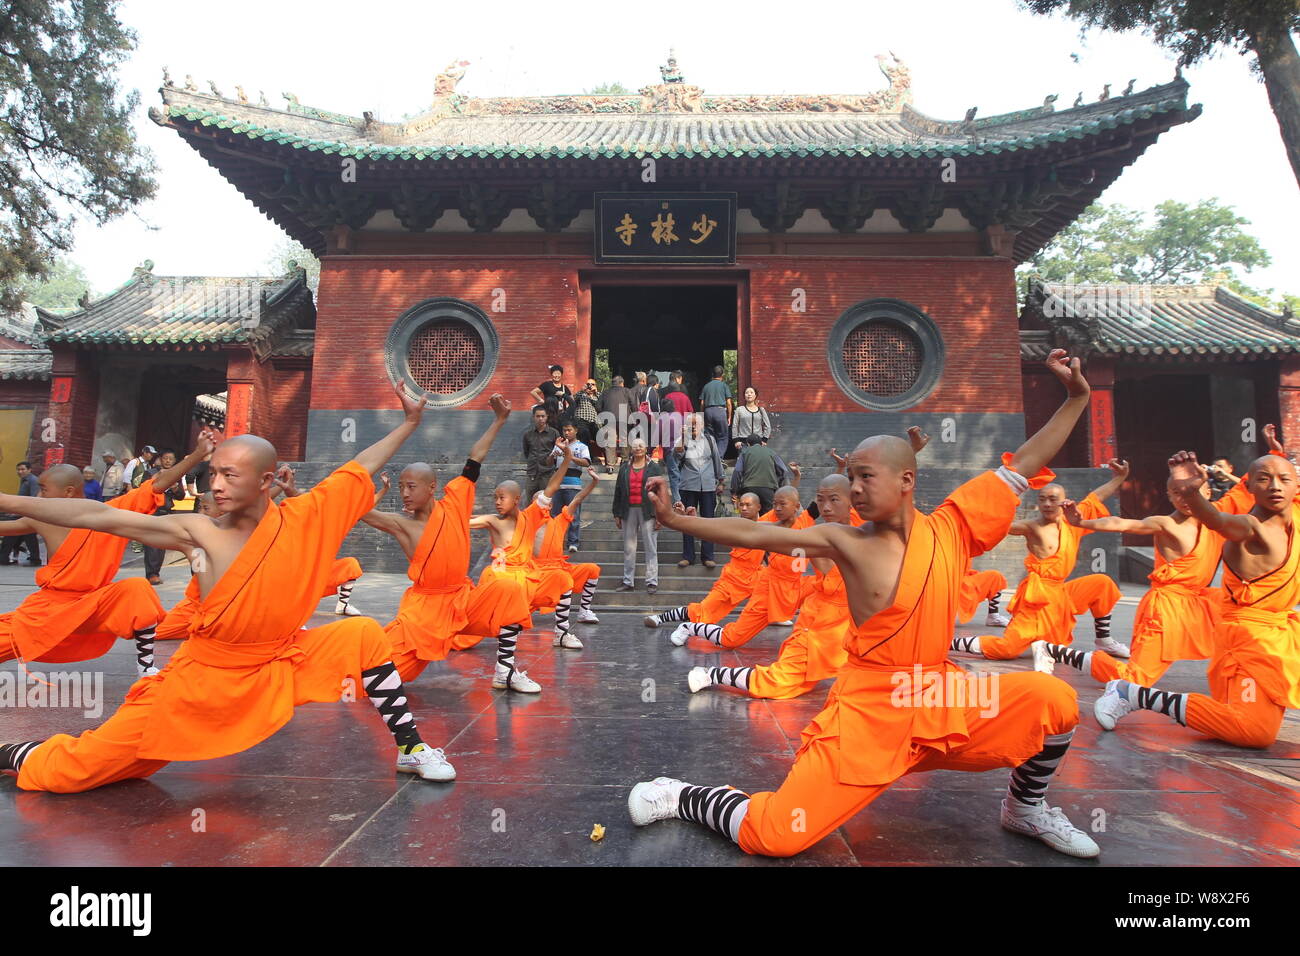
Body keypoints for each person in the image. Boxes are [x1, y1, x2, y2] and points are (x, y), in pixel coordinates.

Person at [627, 348, 1099, 860]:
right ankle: (684, 795)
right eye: (850, 477)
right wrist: (678, 520)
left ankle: (1025, 808)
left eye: (865, 477)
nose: (853, 489)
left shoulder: (955, 526)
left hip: (940, 695)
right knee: (779, 835)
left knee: (1054, 701)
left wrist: (1076, 396)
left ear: (906, 481)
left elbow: (1025, 462)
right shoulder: (845, 542)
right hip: (872, 707)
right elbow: (750, 531)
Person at [0, 383, 459, 792]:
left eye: (228, 476)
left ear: (264, 482)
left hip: (280, 659)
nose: (215, 485)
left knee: (360, 634)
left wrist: (410, 422)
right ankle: (20, 754)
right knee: (83, 770)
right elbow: (97, 516)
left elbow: (359, 466)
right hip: (204, 679)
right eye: (213, 473)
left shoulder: (310, 515)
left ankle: (412, 748)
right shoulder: (203, 531)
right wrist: (5, 500)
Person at [1093, 449, 1298, 749]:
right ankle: (1133, 693)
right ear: (1248, 486)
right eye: (1264, 479)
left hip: (1281, 633)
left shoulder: (1295, 517)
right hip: (1250, 644)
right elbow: (1218, 521)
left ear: (1296, 485)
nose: (1276, 486)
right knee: (1254, 731)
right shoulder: (1250, 528)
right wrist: (1195, 496)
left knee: (1248, 721)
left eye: (1284, 479)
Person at [361, 395, 538, 693]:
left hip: (462, 599)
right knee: (375, 678)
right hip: (424, 611)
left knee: (509, 589)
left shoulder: (454, 504)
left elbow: (475, 459)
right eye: (402, 486)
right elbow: (356, 509)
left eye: (411, 486)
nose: (404, 493)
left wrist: (499, 421)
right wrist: (378, 492)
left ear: (432, 488)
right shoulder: (401, 524)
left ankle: (505, 672)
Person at [0, 436, 211, 676]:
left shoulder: (108, 514)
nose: (38, 495)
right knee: (9, 636)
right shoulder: (39, 518)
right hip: (49, 607)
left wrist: (196, 455)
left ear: (68, 492)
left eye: (44, 489)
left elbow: (157, 485)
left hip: (96, 603)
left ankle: (146, 666)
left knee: (136, 589)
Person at [687, 473, 855, 699]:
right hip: (774, 590)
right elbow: (748, 530)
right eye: (821, 500)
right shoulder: (801, 533)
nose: (826, 507)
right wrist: (687, 522)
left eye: (782, 504)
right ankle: (705, 656)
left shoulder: (853, 526)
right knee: (734, 640)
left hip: (812, 597)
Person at [949, 461, 1130, 662]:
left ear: (1064, 501)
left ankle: (1104, 641)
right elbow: (1001, 524)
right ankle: (949, 643)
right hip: (1038, 599)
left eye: (1052, 499)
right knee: (1006, 649)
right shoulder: (1031, 527)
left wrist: (1119, 478)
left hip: (1061, 593)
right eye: (1042, 499)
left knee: (1102, 584)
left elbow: (1097, 497)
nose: (1046, 504)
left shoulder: (1074, 520)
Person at [466, 442, 577, 691]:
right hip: (502, 577)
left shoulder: (530, 516)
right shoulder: (493, 521)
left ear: (516, 500)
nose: (496, 502)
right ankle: (504, 671)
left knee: (562, 579)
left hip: (527, 576)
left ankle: (561, 632)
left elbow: (553, 486)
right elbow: (462, 520)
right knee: (501, 612)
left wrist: (567, 457)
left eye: (501, 497)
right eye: (494, 497)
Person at [668, 485, 812, 648]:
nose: (777, 508)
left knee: (829, 587)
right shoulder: (765, 526)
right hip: (767, 588)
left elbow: (823, 499)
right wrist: (692, 522)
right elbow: (729, 530)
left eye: (782, 504)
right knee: (732, 639)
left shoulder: (806, 520)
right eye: (774, 504)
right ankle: (690, 627)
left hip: (796, 586)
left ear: (797, 506)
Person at [644, 491, 764, 629]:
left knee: (775, 588)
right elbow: (711, 528)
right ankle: (663, 619)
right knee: (704, 611)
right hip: (732, 581)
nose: (744, 508)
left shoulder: (767, 524)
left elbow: (786, 507)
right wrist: (689, 519)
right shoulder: (734, 524)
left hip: (756, 579)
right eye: (741, 504)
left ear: (759, 507)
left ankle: (777, 615)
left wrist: (796, 478)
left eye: (748, 505)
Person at [535, 467, 604, 643]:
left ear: (550, 505)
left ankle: (584, 611)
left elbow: (578, 498)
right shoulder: (525, 523)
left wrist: (594, 482)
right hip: (536, 574)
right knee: (562, 578)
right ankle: (562, 632)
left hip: (559, 568)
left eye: (545, 503)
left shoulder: (559, 521)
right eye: (538, 503)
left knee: (592, 569)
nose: (542, 506)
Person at [613, 438, 663, 593]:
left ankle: (652, 581)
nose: (638, 449)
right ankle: (628, 581)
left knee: (650, 546)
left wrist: (660, 514)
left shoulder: (654, 468)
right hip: (628, 510)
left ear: (646, 448)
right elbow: (618, 491)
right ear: (632, 450)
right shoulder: (624, 468)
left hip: (648, 510)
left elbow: (660, 492)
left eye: (641, 446)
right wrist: (616, 513)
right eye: (635, 447)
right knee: (629, 547)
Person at [675, 412, 724, 567]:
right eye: (691, 423)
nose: (694, 426)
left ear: (702, 425)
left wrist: (721, 480)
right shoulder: (682, 440)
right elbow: (676, 456)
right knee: (687, 522)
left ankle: (708, 556)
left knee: (708, 521)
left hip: (708, 485)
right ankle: (688, 556)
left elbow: (716, 459)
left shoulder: (709, 440)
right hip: (688, 485)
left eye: (697, 423)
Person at [141, 448, 183, 585]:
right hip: (152, 510)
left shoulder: (176, 475)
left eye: (171, 458)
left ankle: (156, 572)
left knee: (162, 544)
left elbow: (181, 496)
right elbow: (142, 489)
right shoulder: (150, 473)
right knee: (151, 543)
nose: (168, 461)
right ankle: (151, 573)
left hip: (167, 512)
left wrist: (175, 487)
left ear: (175, 461)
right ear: (160, 459)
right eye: (165, 458)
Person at [549, 421, 591, 552]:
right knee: (555, 514)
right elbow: (549, 462)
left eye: (569, 430)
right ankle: (556, 541)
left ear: (576, 430)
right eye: (564, 430)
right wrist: (552, 455)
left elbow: (586, 462)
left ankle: (573, 542)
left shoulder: (582, 446)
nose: (566, 433)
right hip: (557, 483)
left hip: (573, 484)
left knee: (573, 514)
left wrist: (569, 455)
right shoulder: (558, 445)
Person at [730, 435, 792, 514]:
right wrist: (780, 488)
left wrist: (734, 491)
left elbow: (737, 472)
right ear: (761, 443)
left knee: (749, 515)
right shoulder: (771, 452)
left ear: (748, 444)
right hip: (768, 489)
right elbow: (784, 471)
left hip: (749, 488)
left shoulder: (745, 453)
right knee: (767, 517)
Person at [659, 371, 694, 502]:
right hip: (683, 436)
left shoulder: (667, 396)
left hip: (670, 438)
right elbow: (691, 413)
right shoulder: (685, 398)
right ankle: (683, 497)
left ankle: (677, 499)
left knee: (673, 472)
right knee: (683, 468)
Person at [3, 461, 42, 566]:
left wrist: (25, 513)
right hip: (22, 514)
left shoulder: (33, 481)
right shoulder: (24, 480)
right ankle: (33, 559)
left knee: (14, 535)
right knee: (25, 537)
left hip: (27, 514)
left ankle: (4, 558)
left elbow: (34, 498)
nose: (20, 472)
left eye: (22, 469)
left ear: (29, 470)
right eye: (18, 469)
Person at [522, 406, 560, 503]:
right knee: (530, 502)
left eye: (543, 416)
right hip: (532, 473)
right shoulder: (527, 434)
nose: (540, 419)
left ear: (547, 417)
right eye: (538, 416)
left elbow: (557, 452)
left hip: (547, 474)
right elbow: (526, 452)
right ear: (533, 417)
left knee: (546, 502)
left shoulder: (554, 433)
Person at [598, 374, 635, 472]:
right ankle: (625, 461)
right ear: (622, 383)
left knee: (610, 441)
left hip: (608, 418)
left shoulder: (605, 392)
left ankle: (610, 465)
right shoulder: (627, 391)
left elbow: (598, 406)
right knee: (625, 440)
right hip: (624, 418)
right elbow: (633, 404)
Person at [699, 365, 733, 452]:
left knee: (710, 436)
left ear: (712, 374)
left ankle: (710, 456)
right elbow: (729, 403)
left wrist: (702, 416)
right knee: (723, 436)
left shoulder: (706, 386)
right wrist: (729, 417)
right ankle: (719, 457)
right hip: (720, 411)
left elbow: (702, 403)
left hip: (708, 412)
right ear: (722, 375)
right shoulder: (724, 386)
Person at [531, 364, 574, 429]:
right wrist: (541, 400)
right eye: (555, 373)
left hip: (560, 415)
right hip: (549, 414)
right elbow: (533, 392)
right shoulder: (547, 384)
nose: (556, 376)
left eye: (558, 373)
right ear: (551, 374)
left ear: (561, 375)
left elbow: (571, 400)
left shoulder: (564, 387)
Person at [730, 386, 772, 452]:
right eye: (747, 393)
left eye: (751, 392)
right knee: (744, 460)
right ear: (744, 396)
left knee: (757, 461)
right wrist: (736, 440)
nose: (749, 394)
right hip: (743, 442)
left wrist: (764, 440)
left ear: (755, 395)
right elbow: (735, 426)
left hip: (758, 442)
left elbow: (768, 426)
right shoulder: (739, 410)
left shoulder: (761, 410)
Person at [573, 377, 601, 448]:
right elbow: (573, 399)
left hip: (594, 423)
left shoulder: (597, 396)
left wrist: (596, 392)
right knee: (585, 434)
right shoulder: (581, 394)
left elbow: (602, 404)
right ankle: (587, 457)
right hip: (581, 421)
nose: (590, 386)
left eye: (593, 384)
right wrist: (582, 390)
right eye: (588, 384)